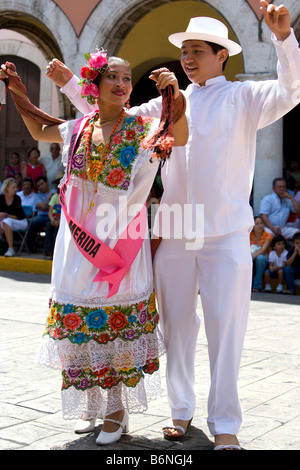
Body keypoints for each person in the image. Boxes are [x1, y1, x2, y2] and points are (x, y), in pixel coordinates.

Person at [45, 1, 300, 450]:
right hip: (176, 234)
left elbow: (291, 89)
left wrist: (283, 38)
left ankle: (225, 425)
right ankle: (180, 413)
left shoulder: (244, 97)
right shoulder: (163, 105)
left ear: (222, 55)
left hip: (225, 236)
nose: (187, 57)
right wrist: (69, 83)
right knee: (177, 329)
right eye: (185, 50)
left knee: (227, 333)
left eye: (197, 50)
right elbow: (110, 115)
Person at [0, 51, 187, 445]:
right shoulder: (78, 127)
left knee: (114, 328)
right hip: (77, 243)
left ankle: (117, 412)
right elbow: (38, 128)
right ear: (95, 87)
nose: (122, 84)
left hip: (119, 246)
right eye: (113, 78)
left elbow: (180, 134)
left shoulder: (143, 128)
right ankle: (91, 405)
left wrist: (174, 94)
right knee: (79, 326)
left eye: (126, 79)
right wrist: (15, 89)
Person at [24, 176, 54, 253]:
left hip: (53, 216)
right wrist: (51, 199)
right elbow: (43, 208)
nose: (40, 187)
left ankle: (48, 249)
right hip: (42, 216)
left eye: (41, 184)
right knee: (32, 222)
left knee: (49, 224)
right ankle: (29, 246)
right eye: (38, 186)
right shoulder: (36, 195)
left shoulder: (55, 191)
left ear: (47, 182)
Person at [0, 177, 27, 257]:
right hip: (6, 222)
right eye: (13, 187)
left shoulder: (17, 199)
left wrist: (5, 215)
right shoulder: (1, 198)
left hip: (20, 221)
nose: (16, 189)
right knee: (5, 221)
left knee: (6, 221)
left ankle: (11, 248)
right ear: (7, 188)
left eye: (16, 187)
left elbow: (17, 217)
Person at [250, 215, 273, 292]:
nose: (260, 226)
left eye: (261, 223)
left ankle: (257, 285)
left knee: (260, 258)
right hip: (251, 256)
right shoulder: (249, 235)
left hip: (264, 259)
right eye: (257, 224)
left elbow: (264, 250)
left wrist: (252, 257)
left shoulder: (268, 235)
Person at [43, 173, 62, 260]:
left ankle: (57, 251)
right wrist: (52, 220)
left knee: (58, 230)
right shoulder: (55, 197)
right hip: (54, 220)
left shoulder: (67, 196)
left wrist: (60, 221)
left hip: (62, 222)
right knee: (48, 225)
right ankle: (48, 250)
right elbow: (50, 211)